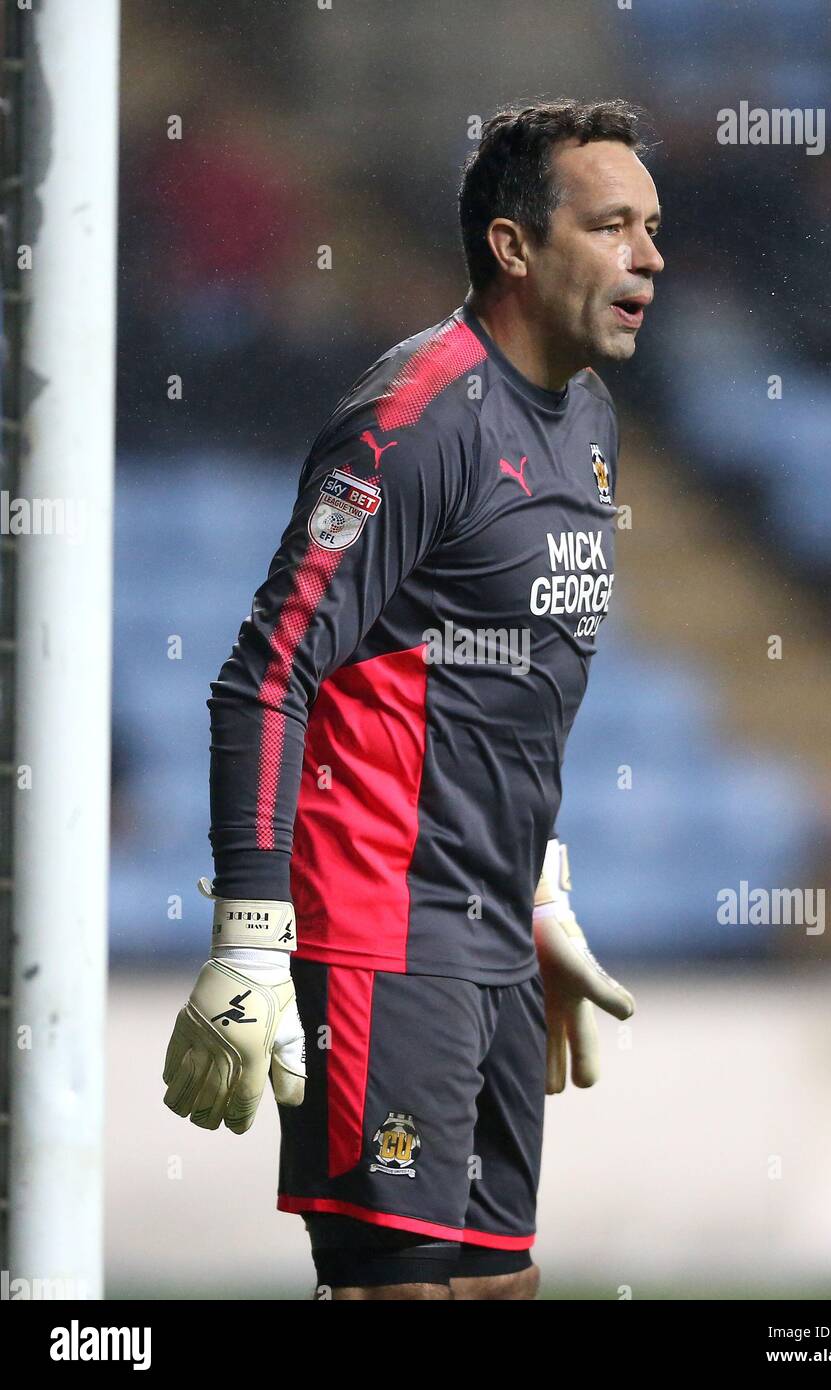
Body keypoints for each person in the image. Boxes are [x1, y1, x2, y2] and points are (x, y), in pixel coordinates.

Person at [163, 97, 664, 1300]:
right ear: (514, 246)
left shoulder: (587, 419)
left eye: (652, 226)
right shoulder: (418, 421)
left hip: (489, 935)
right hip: (381, 933)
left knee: (501, 1283)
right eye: (611, 225)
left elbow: (510, 678)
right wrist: (250, 934)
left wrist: (536, 885)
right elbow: (268, 668)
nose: (649, 256)